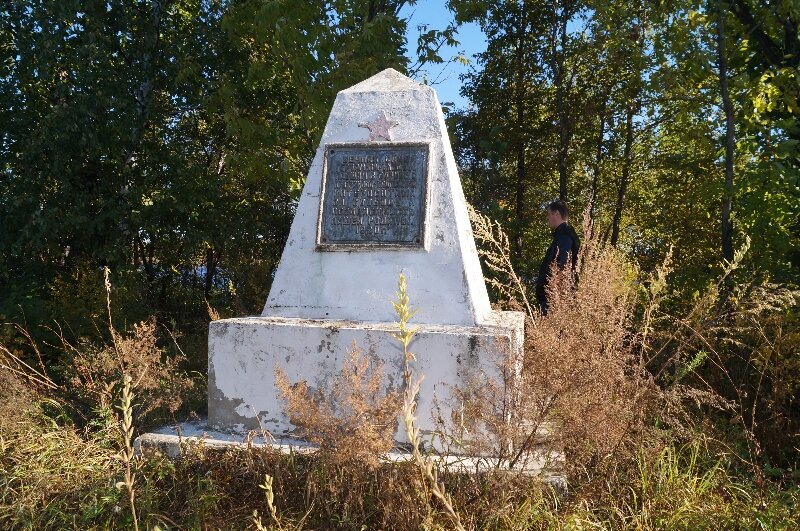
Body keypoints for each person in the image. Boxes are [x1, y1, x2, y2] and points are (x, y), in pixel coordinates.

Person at [535, 200, 580, 315]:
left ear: (557, 214)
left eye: (549, 214)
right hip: (555, 296)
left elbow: (561, 266)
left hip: (555, 298)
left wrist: (551, 291)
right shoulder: (563, 235)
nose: (547, 218)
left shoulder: (565, 236)